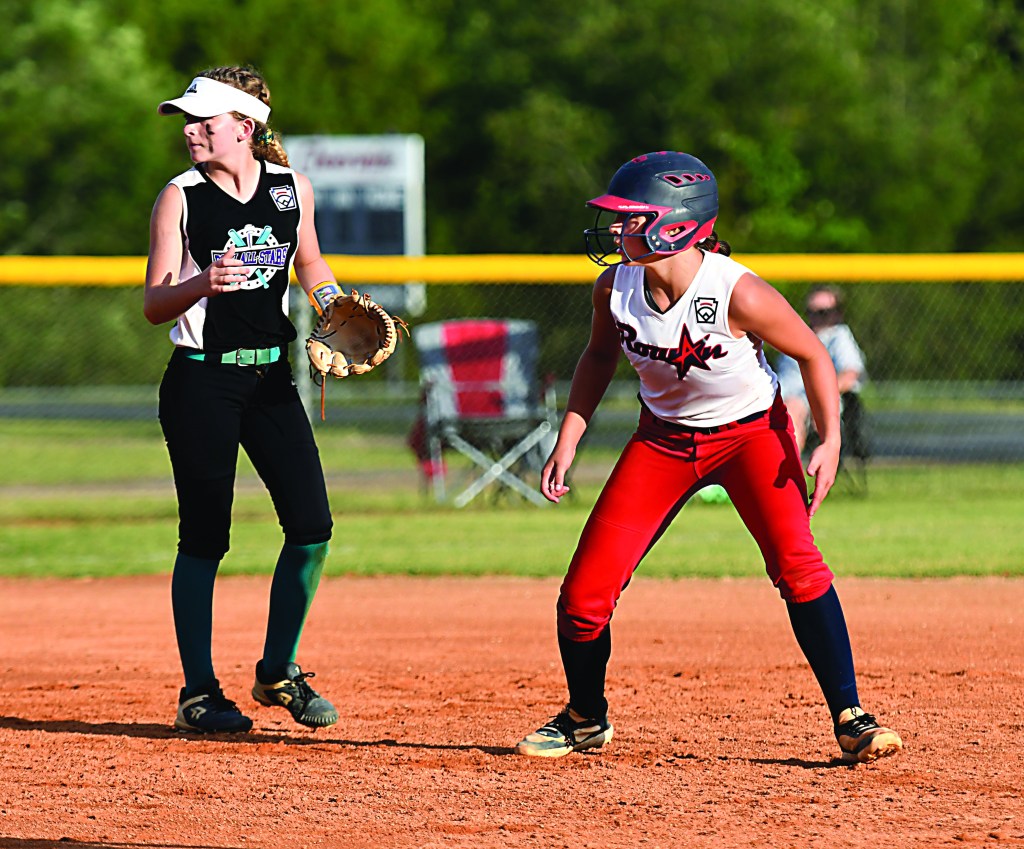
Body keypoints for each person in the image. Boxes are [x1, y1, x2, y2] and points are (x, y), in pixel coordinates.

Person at [514, 151, 902, 764]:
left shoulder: (735, 291)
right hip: (662, 441)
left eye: (630, 218)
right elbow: (596, 359)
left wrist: (828, 438)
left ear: (677, 224)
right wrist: (569, 436)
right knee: (583, 599)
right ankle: (585, 717)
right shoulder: (614, 287)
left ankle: (851, 716)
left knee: (799, 569)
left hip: (751, 436)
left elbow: (813, 354)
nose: (616, 231)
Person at [146, 66, 343, 733]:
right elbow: (154, 303)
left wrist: (331, 305)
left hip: (270, 382)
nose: (193, 130)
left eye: (206, 120)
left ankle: (277, 671)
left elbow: (309, 261)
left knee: (312, 526)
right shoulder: (180, 198)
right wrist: (202, 282)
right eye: (188, 120)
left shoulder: (291, 189)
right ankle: (198, 692)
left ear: (245, 126)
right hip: (201, 379)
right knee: (205, 535)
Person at [774, 285, 867, 455]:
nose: (816, 318)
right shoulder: (798, 333)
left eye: (823, 312)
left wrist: (816, 395)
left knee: (792, 408)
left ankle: (787, 474)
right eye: (811, 312)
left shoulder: (838, 336)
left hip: (809, 398)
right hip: (776, 395)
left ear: (837, 313)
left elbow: (850, 374)